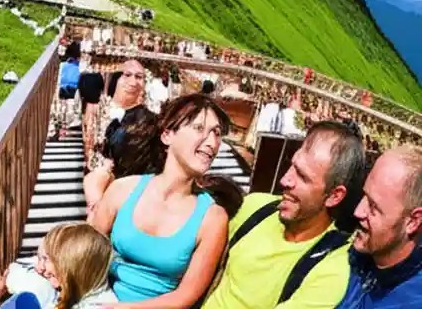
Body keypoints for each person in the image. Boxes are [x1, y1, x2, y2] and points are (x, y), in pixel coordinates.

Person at [201, 121, 367, 309]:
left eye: (302, 177)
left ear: (334, 196)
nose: (285, 180)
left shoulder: (332, 269)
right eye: (292, 166)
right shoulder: (256, 207)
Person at [90, 94, 236, 308]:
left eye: (217, 133)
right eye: (199, 128)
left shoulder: (212, 218)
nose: (212, 142)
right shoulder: (123, 190)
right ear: (167, 135)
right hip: (100, 297)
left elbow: (185, 297)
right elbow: (85, 250)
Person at [336, 145, 422, 309]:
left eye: (374, 207)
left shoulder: (411, 300)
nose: (358, 212)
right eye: (364, 196)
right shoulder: (356, 258)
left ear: (413, 222)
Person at [0, 223, 118, 309]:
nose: (39, 268)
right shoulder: (71, 289)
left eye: (46, 259)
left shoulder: (100, 305)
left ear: (73, 264)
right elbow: (14, 274)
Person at [84, 60, 148, 211]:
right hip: (101, 180)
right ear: (117, 78)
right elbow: (91, 145)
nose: (133, 81)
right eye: (127, 75)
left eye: (139, 77)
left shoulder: (147, 118)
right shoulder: (99, 109)